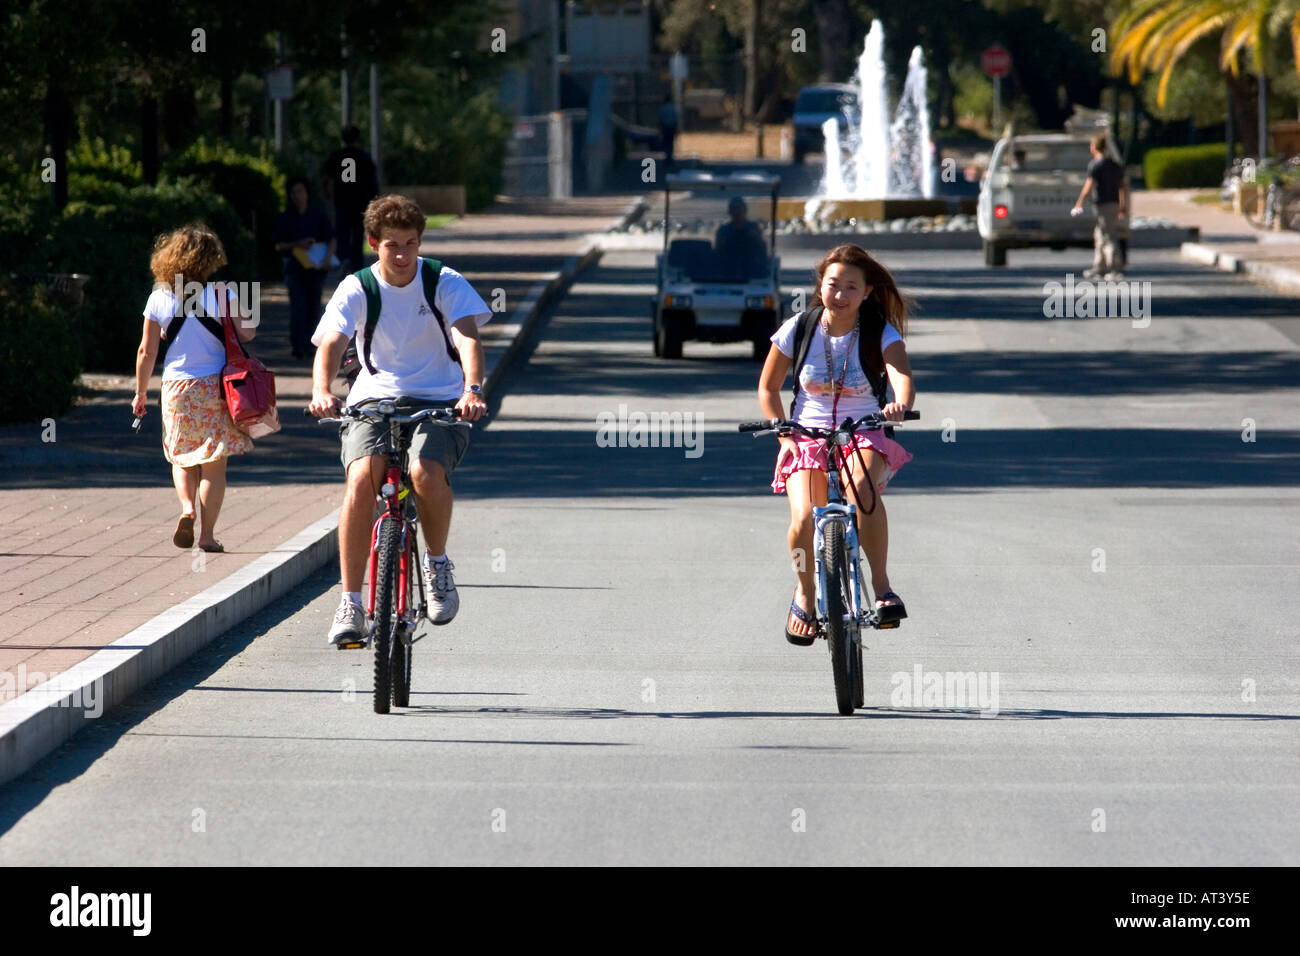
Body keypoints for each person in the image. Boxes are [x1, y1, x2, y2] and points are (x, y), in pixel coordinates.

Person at [308, 194, 490, 647]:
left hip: (441, 400)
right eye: (393, 245)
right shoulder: (358, 287)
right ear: (374, 244)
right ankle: (351, 601)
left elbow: (467, 338)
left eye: (411, 243)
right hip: (373, 400)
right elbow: (330, 343)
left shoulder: (442, 280)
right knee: (360, 483)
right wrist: (321, 390)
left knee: (423, 473)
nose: (403, 255)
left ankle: (437, 563)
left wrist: (472, 389)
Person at [757, 244, 916, 645]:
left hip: (863, 428)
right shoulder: (799, 327)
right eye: (833, 285)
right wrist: (784, 433)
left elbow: (901, 377)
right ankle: (805, 594)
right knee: (802, 520)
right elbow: (769, 387)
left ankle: (881, 586)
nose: (840, 295)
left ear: (866, 292)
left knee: (861, 491)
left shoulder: (880, 330)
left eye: (850, 287)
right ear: (820, 285)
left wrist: (900, 405)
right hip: (805, 433)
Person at [133, 224, 257, 554]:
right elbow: (249, 334)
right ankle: (207, 536)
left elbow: (147, 351)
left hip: (175, 387)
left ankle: (186, 508)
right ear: (211, 259)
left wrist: (140, 392)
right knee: (214, 463)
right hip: (214, 387)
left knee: (181, 457)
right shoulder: (223, 293)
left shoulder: (159, 296)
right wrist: (240, 303)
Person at [272, 176, 336, 360]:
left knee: (314, 307)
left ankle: (313, 345)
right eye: (293, 192)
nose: (297, 196)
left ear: (307, 193)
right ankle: (298, 346)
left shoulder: (317, 215)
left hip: (316, 269)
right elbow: (278, 245)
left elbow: (331, 238)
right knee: (297, 309)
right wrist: (296, 244)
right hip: (294, 270)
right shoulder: (285, 217)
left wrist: (328, 258)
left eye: (300, 191)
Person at [322, 125, 380, 273]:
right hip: (360, 202)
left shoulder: (337, 155)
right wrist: (375, 200)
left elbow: (326, 177)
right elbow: (372, 181)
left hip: (342, 201)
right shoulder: (364, 156)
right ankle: (357, 264)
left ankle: (343, 259)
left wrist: (327, 192)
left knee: (342, 232)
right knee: (358, 233)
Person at [1071, 132, 1128, 280]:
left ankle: (1116, 268)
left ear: (1095, 147)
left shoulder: (1096, 165)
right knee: (1100, 234)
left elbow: (1088, 187)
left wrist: (1079, 204)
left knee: (1109, 236)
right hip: (1114, 203)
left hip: (1103, 204)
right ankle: (1099, 267)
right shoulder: (1115, 164)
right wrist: (1122, 205)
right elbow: (1122, 186)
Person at [714, 196, 767, 279]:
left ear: (745, 210)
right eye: (734, 209)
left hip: (751, 272)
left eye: (739, 209)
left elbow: (762, 252)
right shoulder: (724, 231)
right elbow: (717, 253)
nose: (737, 212)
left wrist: (754, 238)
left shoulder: (753, 228)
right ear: (730, 212)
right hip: (727, 272)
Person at [658, 96, 680, 166]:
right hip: (671, 127)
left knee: (666, 143)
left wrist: (660, 128)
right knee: (671, 143)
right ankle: (670, 157)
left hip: (665, 127)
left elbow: (660, 119)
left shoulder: (663, 108)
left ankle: (667, 157)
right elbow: (676, 118)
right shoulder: (673, 108)